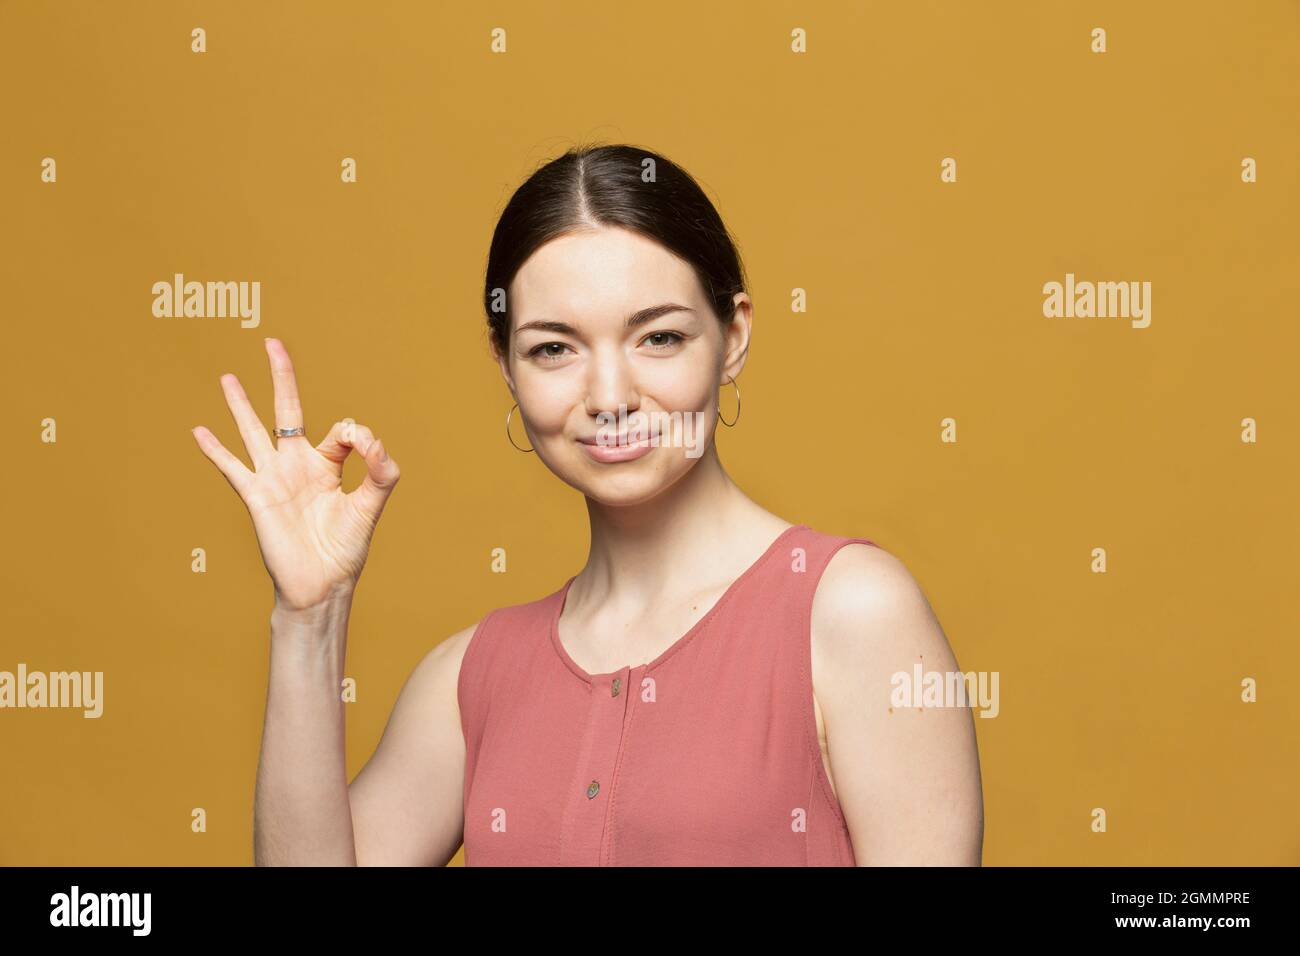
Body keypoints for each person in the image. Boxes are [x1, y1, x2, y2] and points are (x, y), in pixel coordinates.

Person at [191, 143, 983, 866]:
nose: (609, 397)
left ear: (733, 334)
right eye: (554, 349)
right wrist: (310, 614)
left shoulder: (851, 613)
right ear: (506, 365)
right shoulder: (471, 676)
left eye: (659, 338)